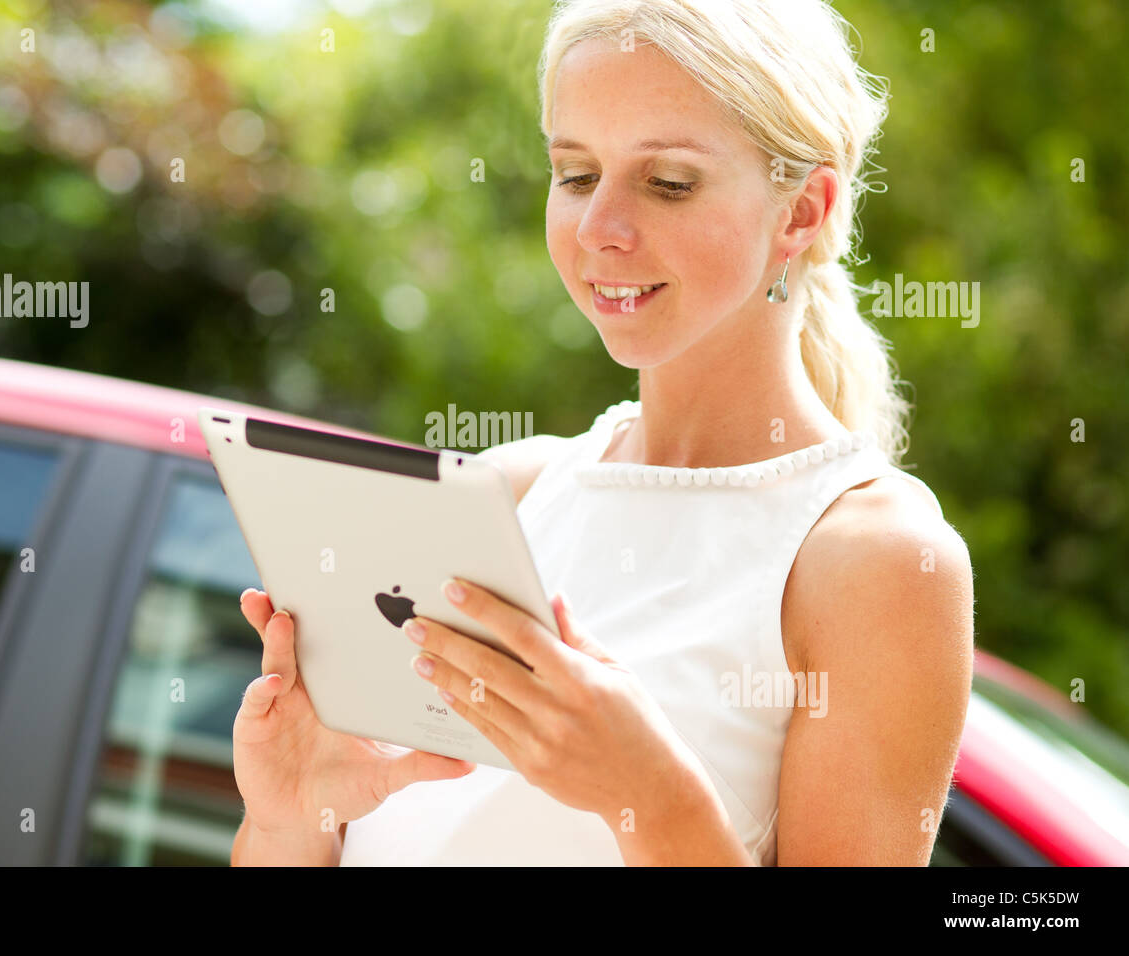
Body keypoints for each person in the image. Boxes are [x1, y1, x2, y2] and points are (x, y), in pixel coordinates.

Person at [231, 0, 974, 866]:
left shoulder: (871, 560)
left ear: (802, 211)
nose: (599, 231)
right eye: (577, 175)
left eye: (668, 183)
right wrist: (291, 820)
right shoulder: (503, 495)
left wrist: (647, 798)